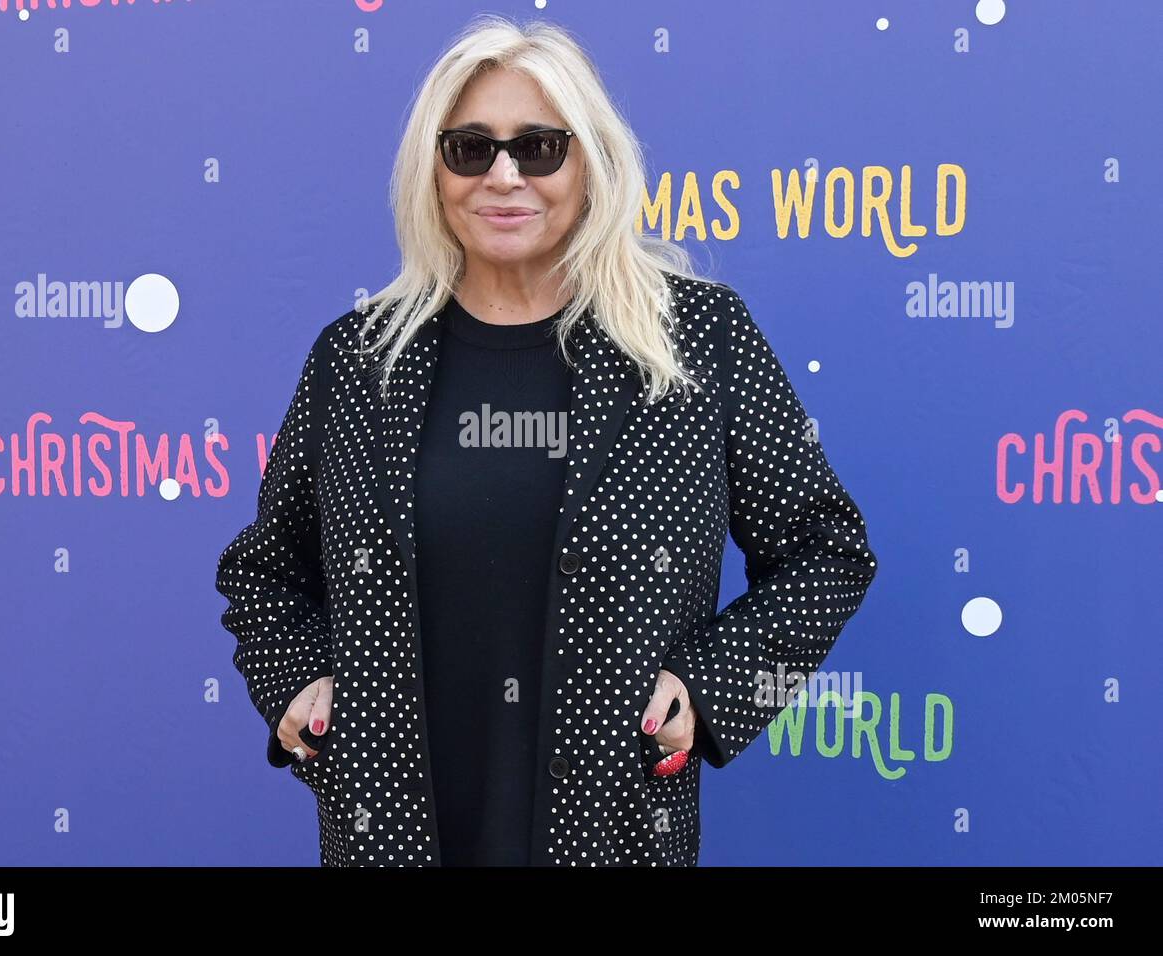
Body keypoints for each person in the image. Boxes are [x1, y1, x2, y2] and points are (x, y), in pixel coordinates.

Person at [215, 14, 878, 867]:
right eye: (469, 149)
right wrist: (296, 684)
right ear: (434, 171)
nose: (503, 176)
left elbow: (828, 551)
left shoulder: (696, 342)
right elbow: (263, 571)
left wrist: (711, 693)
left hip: (616, 831)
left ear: (590, 162)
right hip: (392, 836)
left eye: (537, 148)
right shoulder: (357, 360)